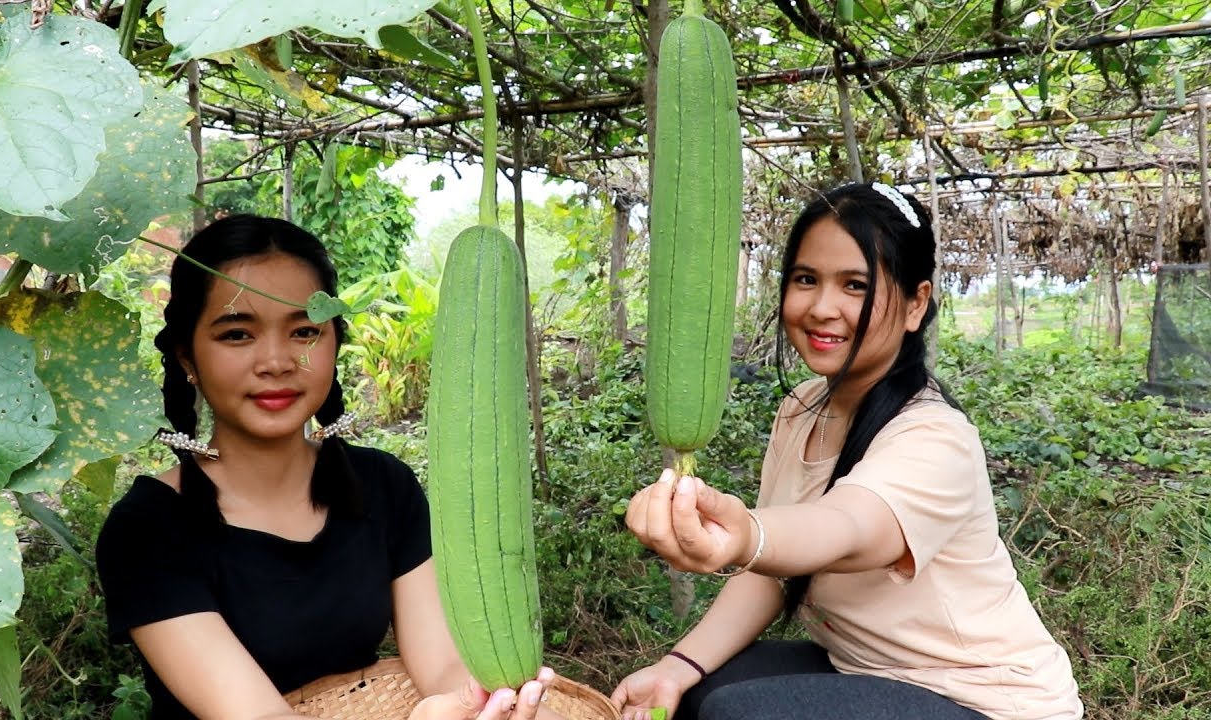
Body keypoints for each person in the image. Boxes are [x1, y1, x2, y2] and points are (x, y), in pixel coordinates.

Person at [610, 183, 1084, 720]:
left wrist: (745, 533)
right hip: (870, 671)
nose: (821, 308)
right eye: (806, 279)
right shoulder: (801, 409)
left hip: (984, 701)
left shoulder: (936, 437)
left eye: (855, 285)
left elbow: (848, 528)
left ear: (916, 304)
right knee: (697, 694)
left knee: (740, 714)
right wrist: (676, 668)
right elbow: (772, 571)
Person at [95, 215, 556, 720]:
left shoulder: (384, 486)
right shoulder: (147, 529)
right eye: (237, 334)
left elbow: (445, 663)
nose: (276, 361)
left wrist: (478, 703)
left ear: (335, 342)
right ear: (188, 357)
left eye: (304, 332)